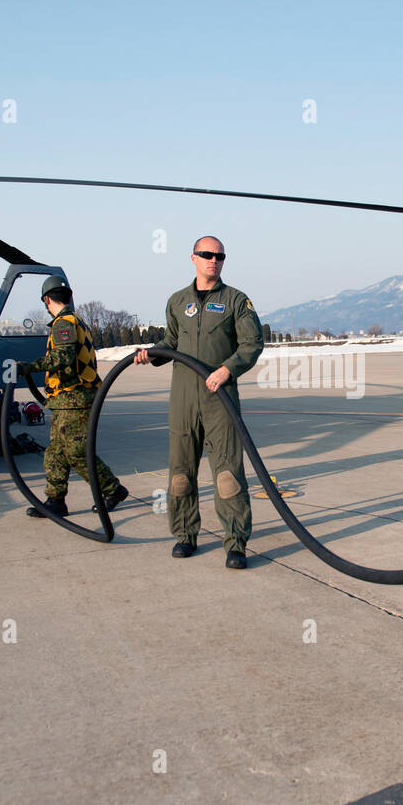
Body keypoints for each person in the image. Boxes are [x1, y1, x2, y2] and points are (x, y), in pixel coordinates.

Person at [134, 236, 264, 568]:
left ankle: (235, 542)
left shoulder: (237, 300)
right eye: (207, 255)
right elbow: (172, 341)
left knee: (227, 474)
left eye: (220, 256)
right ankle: (184, 535)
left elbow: (252, 343)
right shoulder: (177, 301)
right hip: (183, 397)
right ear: (193, 258)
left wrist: (227, 370)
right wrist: (153, 354)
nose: (214, 260)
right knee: (180, 473)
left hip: (219, 396)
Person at [16, 275, 129, 518]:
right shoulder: (76, 320)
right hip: (65, 400)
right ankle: (55, 501)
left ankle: (112, 489)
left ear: (47, 299)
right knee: (56, 452)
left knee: (77, 452)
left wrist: (29, 367)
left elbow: (63, 357)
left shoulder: (63, 323)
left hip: (75, 398)